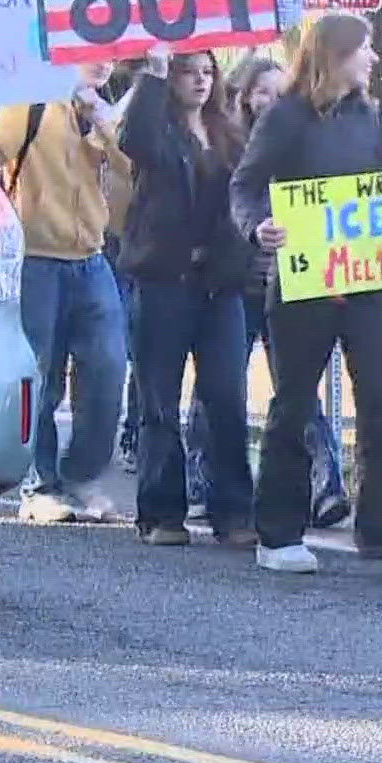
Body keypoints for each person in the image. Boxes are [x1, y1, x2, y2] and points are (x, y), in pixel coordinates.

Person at [230, 12, 382, 581]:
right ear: (333, 56)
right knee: (291, 408)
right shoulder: (285, 117)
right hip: (306, 284)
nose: (374, 59)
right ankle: (279, 533)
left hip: (368, 283)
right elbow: (246, 184)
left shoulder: (370, 116)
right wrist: (259, 224)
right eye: (365, 49)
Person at [196, 55, 351, 529]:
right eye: (262, 91)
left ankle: (327, 487)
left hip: (289, 283)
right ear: (242, 95)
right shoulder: (225, 147)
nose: (271, 100)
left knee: (298, 390)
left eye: (280, 91)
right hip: (236, 286)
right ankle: (205, 484)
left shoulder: (302, 139)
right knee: (222, 390)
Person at [0, 62, 133, 525]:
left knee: (109, 366)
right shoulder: (33, 99)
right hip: (35, 259)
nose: (102, 60)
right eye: (90, 51)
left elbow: (133, 167)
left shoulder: (110, 112)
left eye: (109, 52)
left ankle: (83, 475)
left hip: (91, 256)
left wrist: (106, 126)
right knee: (39, 374)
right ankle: (40, 485)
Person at [118, 46, 256, 548]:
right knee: (159, 401)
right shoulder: (158, 132)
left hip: (218, 285)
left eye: (207, 72)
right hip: (164, 281)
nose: (199, 82)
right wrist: (152, 76)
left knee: (226, 398)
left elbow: (248, 191)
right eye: (187, 72)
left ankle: (235, 512)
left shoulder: (228, 133)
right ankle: (161, 513)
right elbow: (135, 139)